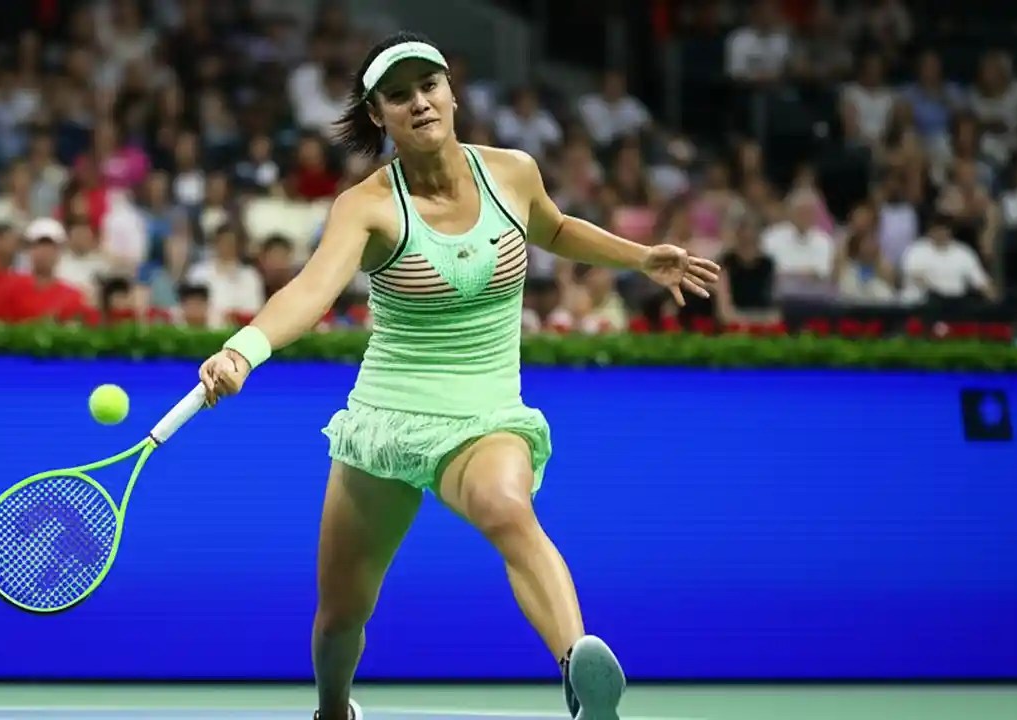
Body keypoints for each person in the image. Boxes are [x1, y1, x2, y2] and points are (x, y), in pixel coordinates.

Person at [196, 32, 719, 720]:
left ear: (450, 91)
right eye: (399, 95)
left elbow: (554, 228)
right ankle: (333, 710)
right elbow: (312, 290)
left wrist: (640, 257)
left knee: (508, 507)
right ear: (378, 114)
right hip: (387, 418)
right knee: (340, 616)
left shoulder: (512, 173)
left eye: (429, 86)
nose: (419, 102)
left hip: (485, 413)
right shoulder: (368, 205)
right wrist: (244, 349)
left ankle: (580, 669)